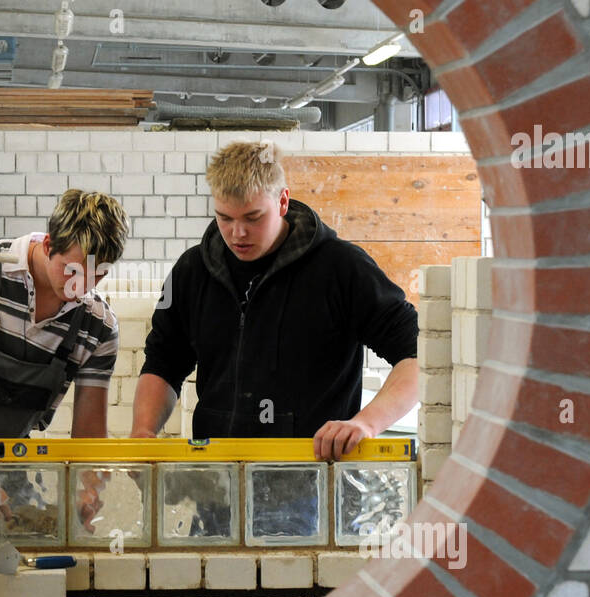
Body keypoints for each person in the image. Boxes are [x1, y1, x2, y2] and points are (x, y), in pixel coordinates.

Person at [130, 140, 420, 458]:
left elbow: (418, 353)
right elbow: (163, 361)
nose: (237, 233)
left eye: (253, 218)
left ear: (282, 202)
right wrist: (143, 430)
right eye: (225, 218)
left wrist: (366, 423)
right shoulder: (192, 270)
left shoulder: (341, 267)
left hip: (316, 482)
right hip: (217, 483)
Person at [0, 188, 129, 439]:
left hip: (13, 465)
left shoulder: (99, 327)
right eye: (72, 270)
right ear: (48, 245)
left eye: (97, 275)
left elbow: (88, 445)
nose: (81, 286)